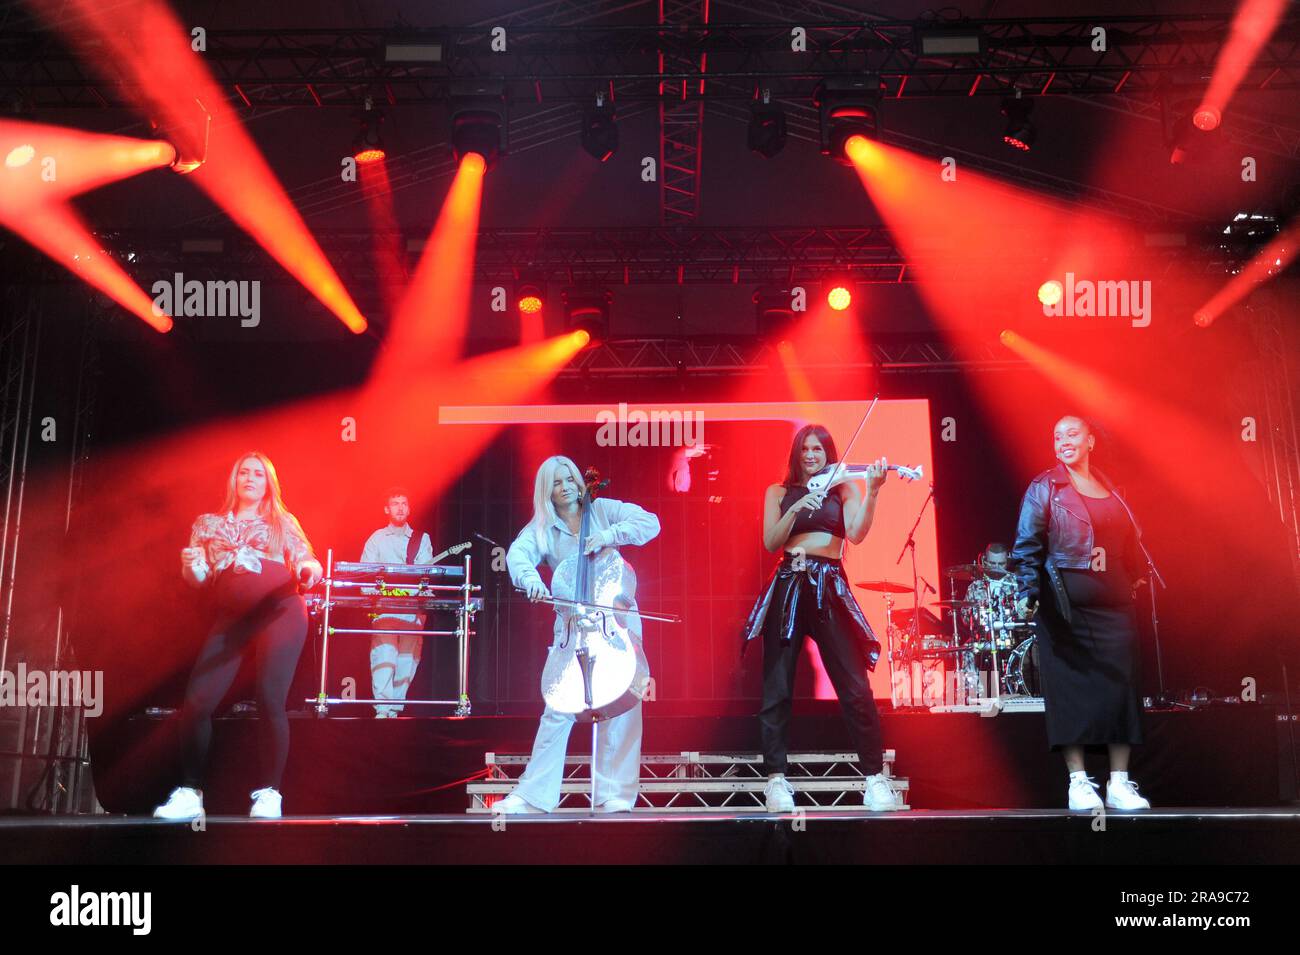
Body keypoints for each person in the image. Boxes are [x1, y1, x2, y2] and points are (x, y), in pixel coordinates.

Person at [154, 452, 323, 820]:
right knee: (198, 702)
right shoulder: (207, 525)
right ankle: (189, 791)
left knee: (269, 698)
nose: (249, 478)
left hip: (280, 609)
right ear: (234, 480)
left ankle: (270, 793)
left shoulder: (281, 520)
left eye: (258, 474)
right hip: (233, 617)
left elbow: (305, 556)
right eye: (243, 472)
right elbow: (199, 580)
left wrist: (309, 568)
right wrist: (190, 569)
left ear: (268, 483)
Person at [741, 424, 898, 813]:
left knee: (854, 684)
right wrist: (795, 509)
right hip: (789, 582)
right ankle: (776, 780)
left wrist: (874, 491)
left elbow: (857, 534)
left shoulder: (843, 488)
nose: (811, 455)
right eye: (805, 449)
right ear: (796, 454)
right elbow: (770, 542)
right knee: (777, 687)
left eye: (818, 448)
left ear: (829, 452)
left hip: (828, 584)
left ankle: (875, 779)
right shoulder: (778, 493)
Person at [494, 456, 660, 814]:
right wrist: (533, 581)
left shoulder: (601, 509)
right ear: (547, 492)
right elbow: (518, 557)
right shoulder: (541, 527)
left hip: (615, 621)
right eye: (556, 482)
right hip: (572, 624)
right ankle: (534, 797)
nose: (567, 486)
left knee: (622, 705)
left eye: (570, 478)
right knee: (558, 707)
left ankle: (614, 794)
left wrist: (609, 536)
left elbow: (651, 523)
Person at [1012, 416, 1152, 811]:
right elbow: (1026, 544)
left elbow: (1128, 541)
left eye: (1071, 433)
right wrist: (1027, 591)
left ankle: (1120, 784)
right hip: (1064, 608)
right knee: (1070, 691)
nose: (1063, 440)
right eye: (1056, 435)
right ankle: (1078, 782)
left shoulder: (1112, 488)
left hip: (1115, 606)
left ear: (1090, 440)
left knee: (1120, 688)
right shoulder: (1045, 487)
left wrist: (1136, 576)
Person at [360, 487, 434, 718]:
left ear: (409, 508)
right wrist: (383, 592)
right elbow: (364, 575)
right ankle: (382, 709)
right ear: (386, 509)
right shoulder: (376, 538)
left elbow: (426, 574)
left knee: (407, 659)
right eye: (395, 503)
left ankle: (394, 709)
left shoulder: (422, 539)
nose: (400, 507)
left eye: (404, 503)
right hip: (384, 609)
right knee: (384, 655)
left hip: (412, 610)